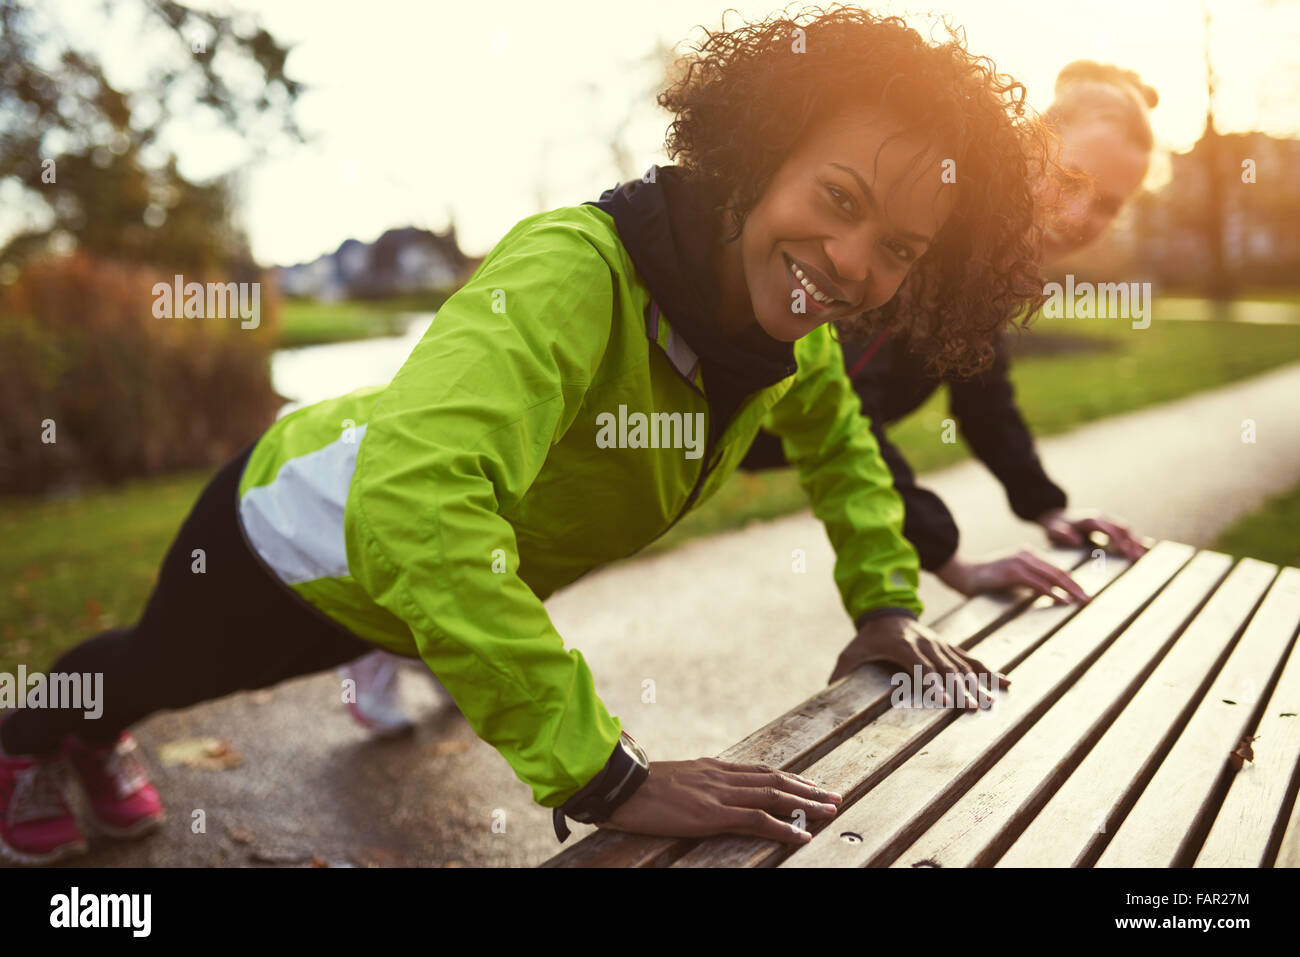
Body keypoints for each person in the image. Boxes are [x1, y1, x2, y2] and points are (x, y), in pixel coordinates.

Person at [0, 8, 1061, 864]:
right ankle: (35, 740)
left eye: (901, 248)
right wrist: (609, 774)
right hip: (294, 534)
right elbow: (415, 504)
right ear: (758, 153)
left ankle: (90, 734)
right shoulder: (575, 270)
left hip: (403, 593)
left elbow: (844, 453)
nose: (850, 263)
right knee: (162, 669)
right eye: (838, 197)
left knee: (209, 673)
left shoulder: (789, 337)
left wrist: (883, 602)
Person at [739, 60, 1160, 602]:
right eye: (1069, 179)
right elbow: (846, 422)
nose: (1079, 213)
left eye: (1107, 204)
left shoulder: (988, 265)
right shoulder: (920, 240)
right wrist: (952, 561)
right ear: (1028, 151)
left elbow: (983, 391)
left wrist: (1046, 505)